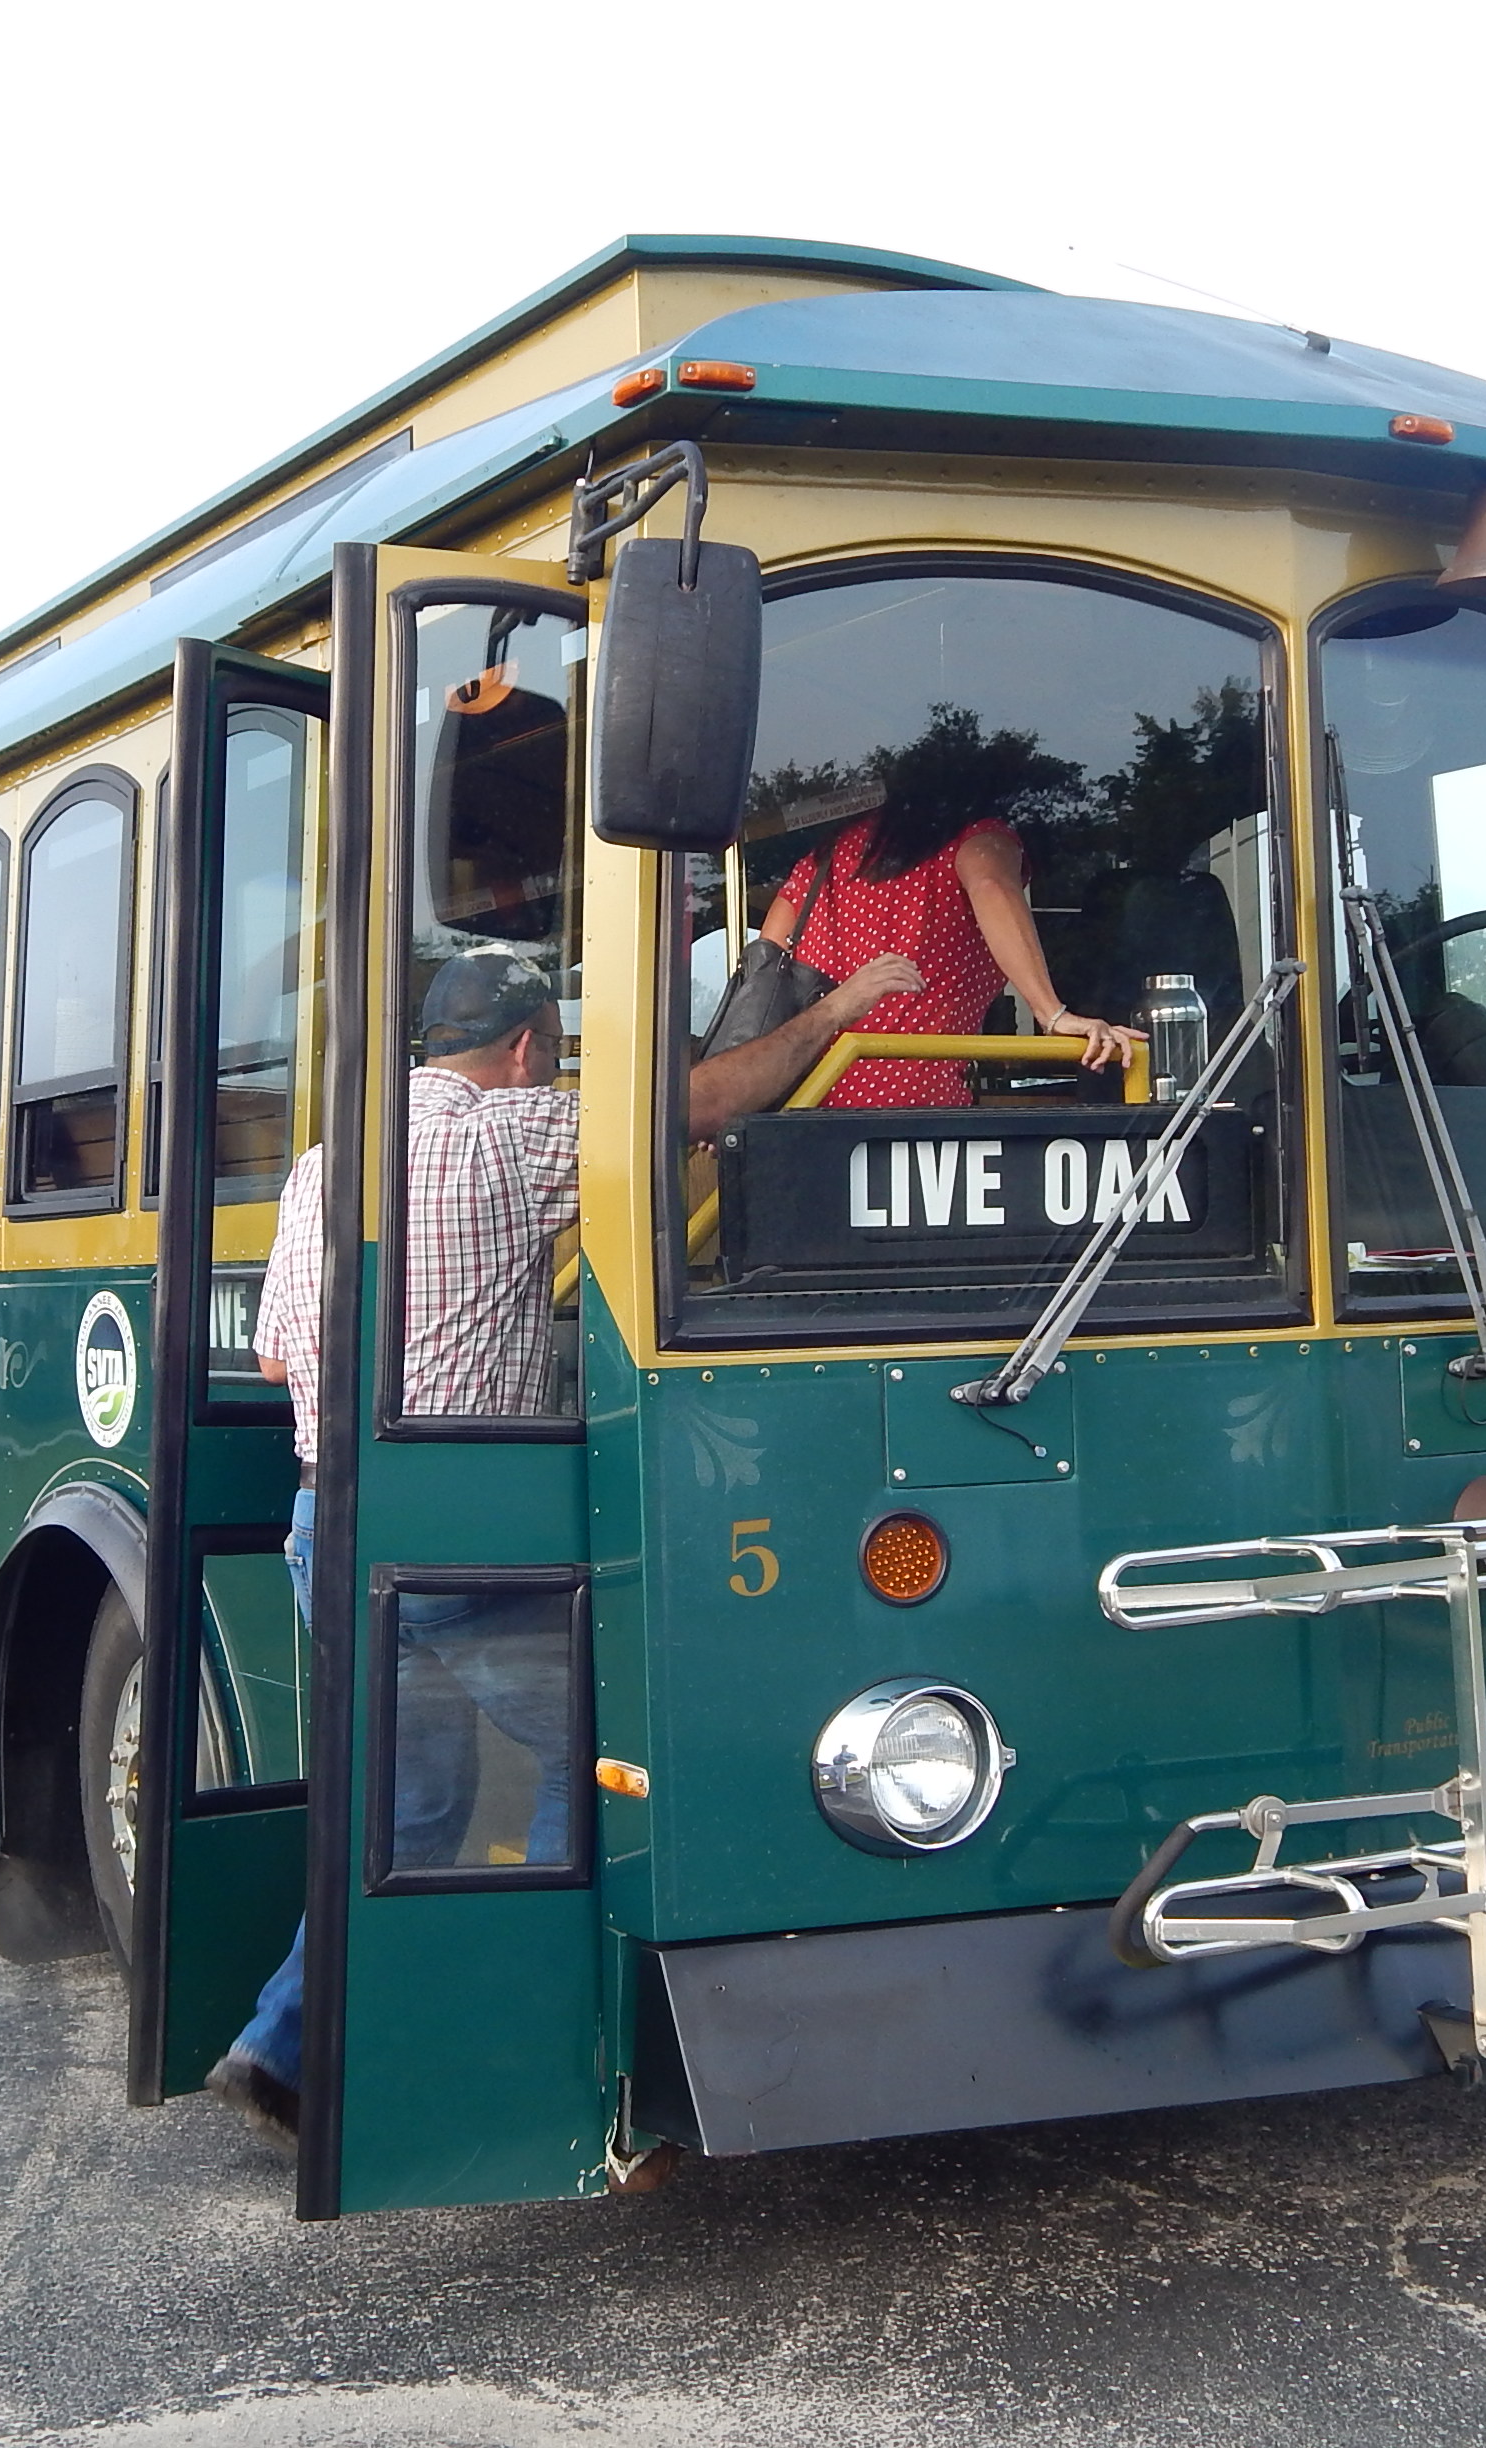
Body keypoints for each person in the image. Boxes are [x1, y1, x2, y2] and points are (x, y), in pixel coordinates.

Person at [206, 941, 922, 2148]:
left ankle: (281, 2047)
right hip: (455, 1529)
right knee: (588, 1764)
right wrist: (841, 1008)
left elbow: (278, 1358)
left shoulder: (330, 1161)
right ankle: (539, 2041)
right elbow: (700, 1105)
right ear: (529, 1048)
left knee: (408, 1809)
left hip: (328, 1524)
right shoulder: (513, 1131)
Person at [756, 738, 1145, 1108]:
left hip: (805, 1100)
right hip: (914, 1097)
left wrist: (748, 1083)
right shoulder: (977, 838)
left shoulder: (823, 859)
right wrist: (1052, 1014)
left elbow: (765, 968)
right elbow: (992, 885)